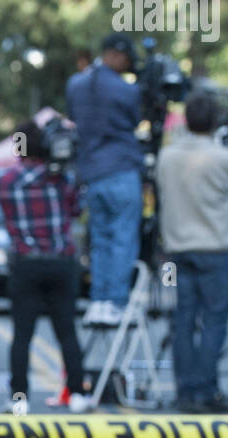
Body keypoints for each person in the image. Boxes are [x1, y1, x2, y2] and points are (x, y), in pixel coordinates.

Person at [156, 92, 228, 411]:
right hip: (215, 247)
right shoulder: (223, 158)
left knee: (183, 318)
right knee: (215, 320)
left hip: (178, 248)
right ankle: (206, 390)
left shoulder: (168, 156)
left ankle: (185, 390)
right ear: (215, 122)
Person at [0, 118, 85, 412]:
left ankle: (18, 399)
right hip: (61, 262)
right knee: (67, 331)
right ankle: (78, 394)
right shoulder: (63, 180)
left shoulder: (6, 182)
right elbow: (76, 209)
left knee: (22, 335)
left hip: (26, 263)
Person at [66, 32, 144, 326]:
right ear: (117, 54)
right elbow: (136, 119)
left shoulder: (76, 84)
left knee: (100, 240)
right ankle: (117, 301)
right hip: (121, 169)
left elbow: (74, 118)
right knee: (123, 238)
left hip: (92, 172)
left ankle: (99, 301)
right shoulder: (126, 90)